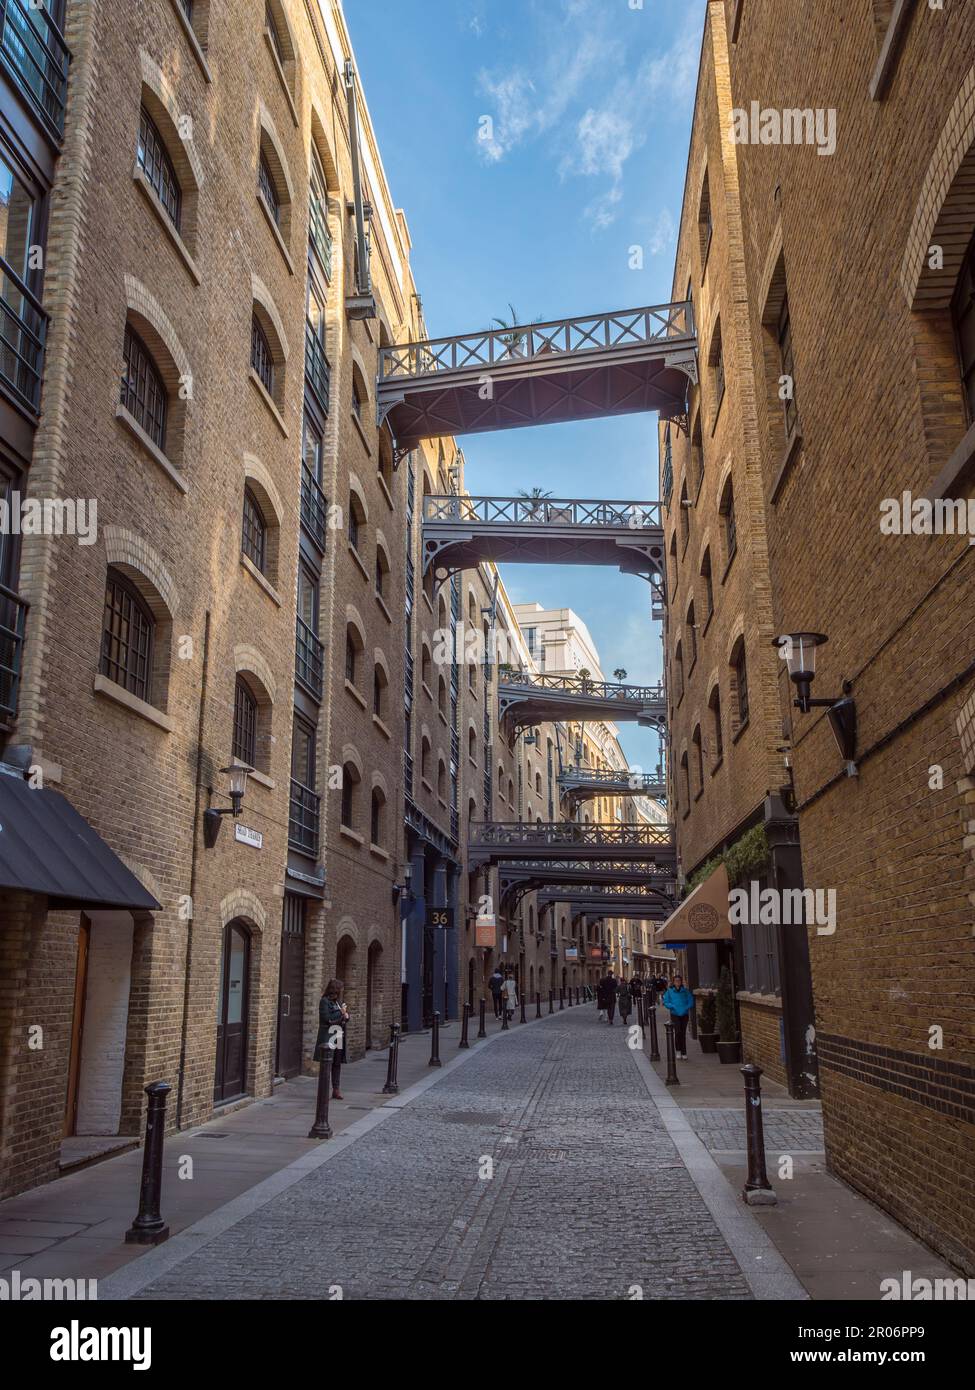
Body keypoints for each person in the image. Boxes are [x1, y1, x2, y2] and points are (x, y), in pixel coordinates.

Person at [315, 978, 349, 1100]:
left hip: (338, 1034)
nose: (342, 991)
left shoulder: (338, 1002)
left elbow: (341, 1019)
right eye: (341, 989)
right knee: (327, 1064)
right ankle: (324, 1091)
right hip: (328, 1035)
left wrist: (345, 1016)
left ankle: (336, 1089)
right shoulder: (324, 1002)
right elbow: (328, 1019)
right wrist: (342, 1013)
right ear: (335, 989)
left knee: (337, 1064)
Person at [662, 973, 695, 1059]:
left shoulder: (685, 991)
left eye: (679, 981)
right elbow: (666, 1002)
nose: (677, 982)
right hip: (675, 1014)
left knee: (683, 1033)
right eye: (676, 981)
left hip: (684, 1014)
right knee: (677, 1032)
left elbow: (691, 1001)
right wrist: (672, 1006)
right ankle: (678, 1051)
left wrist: (686, 1008)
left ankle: (684, 1052)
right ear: (673, 982)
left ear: (681, 982)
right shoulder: (669, 991)